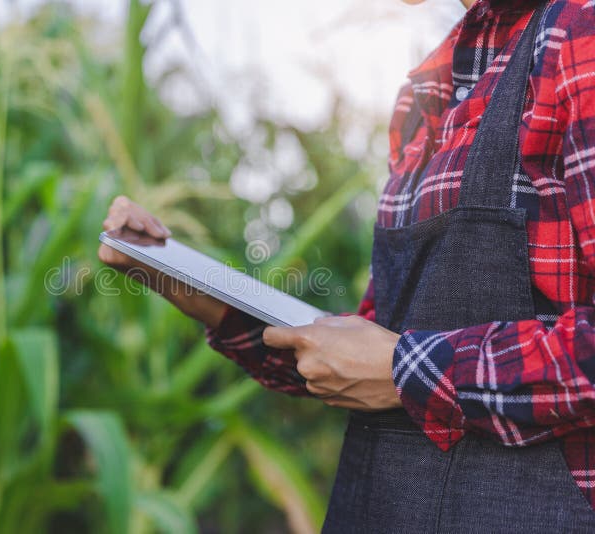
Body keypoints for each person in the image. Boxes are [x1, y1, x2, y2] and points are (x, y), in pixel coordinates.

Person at [99, 0, 595, 530]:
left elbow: (390, 362)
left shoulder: (579, 39)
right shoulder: (427, 89)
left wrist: (406, 370)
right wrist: (185, 284)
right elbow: (367, 348)